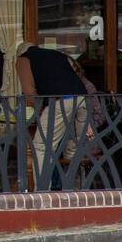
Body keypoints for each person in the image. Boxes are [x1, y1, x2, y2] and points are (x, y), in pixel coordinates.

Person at [16, 41, 88, 189]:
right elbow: (74, 76)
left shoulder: (24, 59)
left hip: (61, 101)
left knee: (42, 147)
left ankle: (42, 192)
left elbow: (29, 92)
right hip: (83, 98)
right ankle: (75, 189)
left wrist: (38, 110)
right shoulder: (56, 54)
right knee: (75, 146)